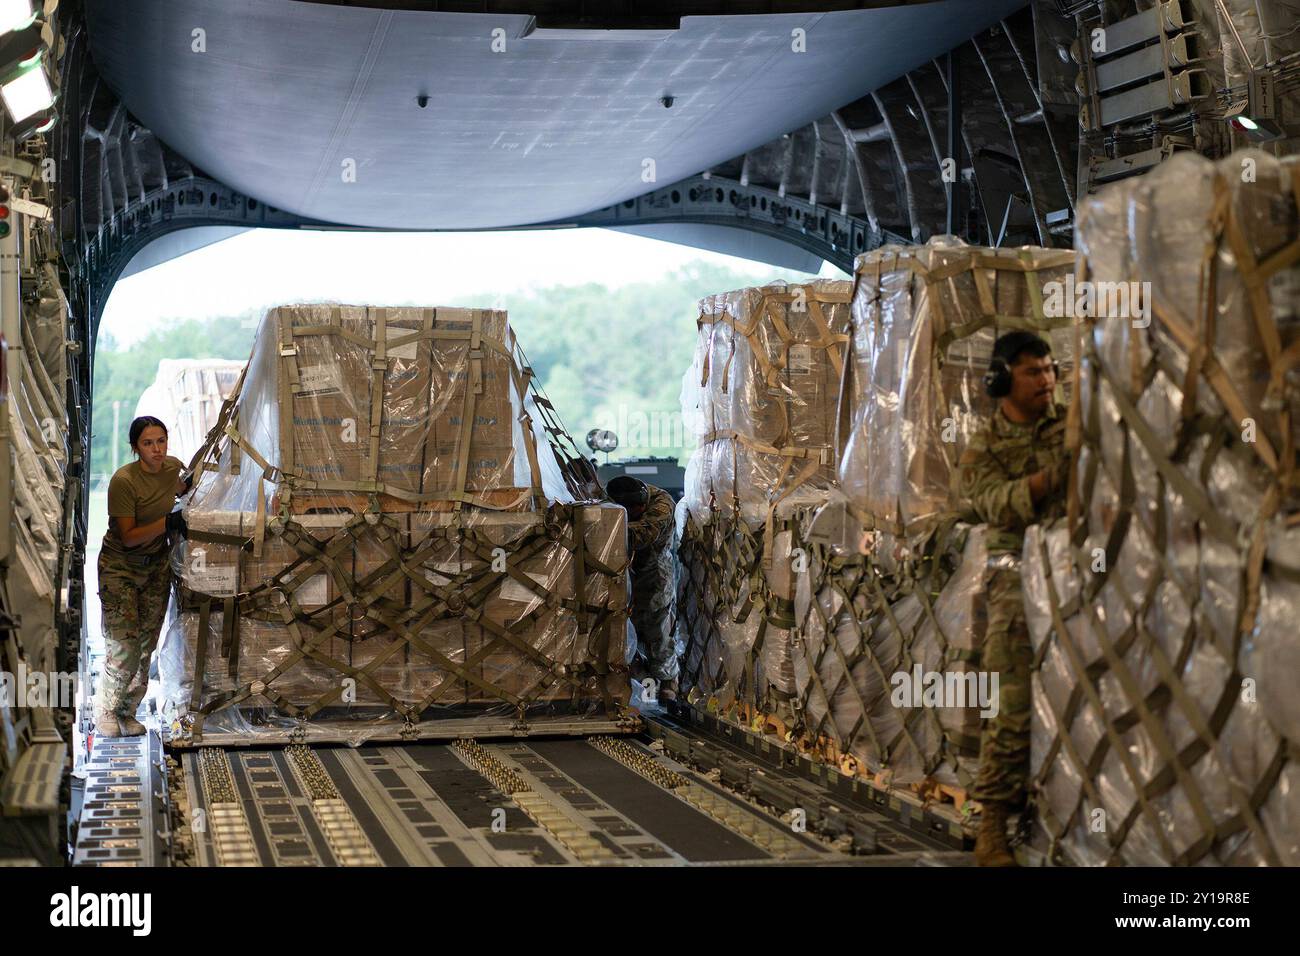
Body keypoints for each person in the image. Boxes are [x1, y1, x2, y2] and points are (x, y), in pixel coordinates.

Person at [957, 331, 1069, 866]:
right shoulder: (984, 447)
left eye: (1050, 369)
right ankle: (994, 823)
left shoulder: (1074, 427)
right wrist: (1048, 481)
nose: (1046, 380)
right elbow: (992, 503)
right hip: (1016, 570)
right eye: (1033, 372)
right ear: (1002, 379)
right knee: (1013, 691)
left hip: (1079, 558)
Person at [96, 416, 190, 737]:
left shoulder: (172, 467)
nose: (156, 449)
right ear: (135, 447)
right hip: (120, 565)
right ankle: (107, 709)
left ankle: (127, 711)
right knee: (124, 645)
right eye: (148, 443)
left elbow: (181, 486)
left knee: (146, 645)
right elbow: (129, 536)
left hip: (156, 566)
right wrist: (169, 522)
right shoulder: (124, 481)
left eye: (161, 441)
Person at [605, 476, 679, 702]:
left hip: (654, 575)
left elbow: (643, 534)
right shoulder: (609, 500)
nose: (643, 509)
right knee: (626, 630)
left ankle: (667, 682)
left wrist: (605, 524)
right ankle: (640, 682)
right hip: (622, 574)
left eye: (641, 507)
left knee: (657, 629)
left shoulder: (661, 504)